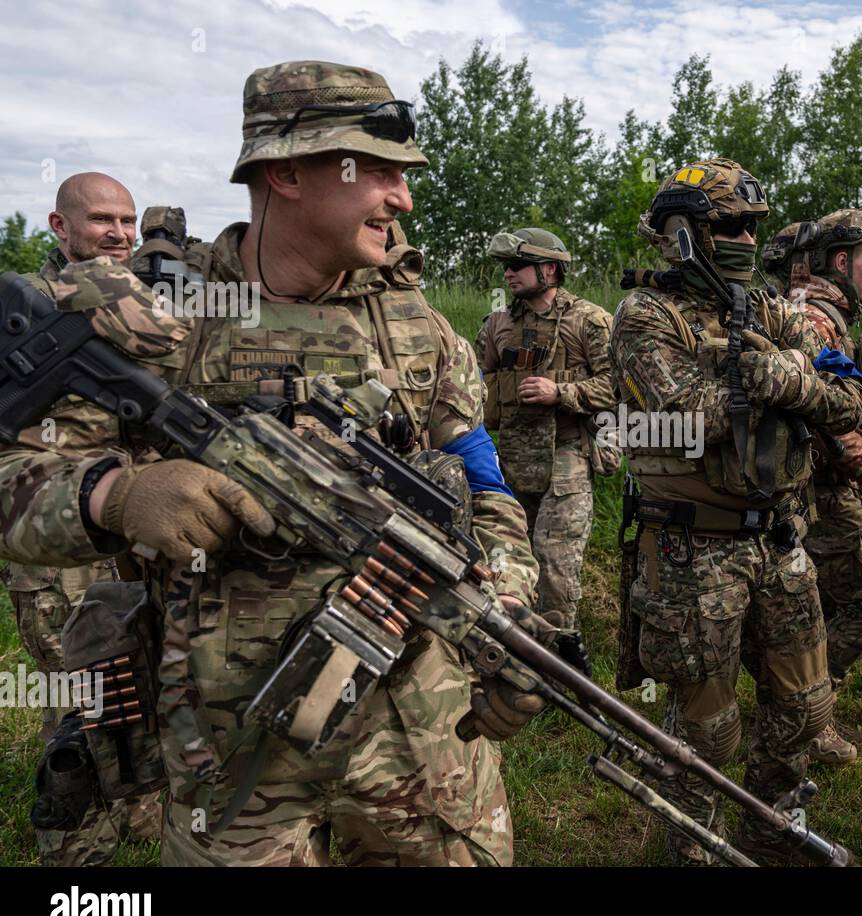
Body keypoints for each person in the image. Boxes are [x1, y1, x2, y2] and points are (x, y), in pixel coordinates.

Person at [0, 61, 541, 866]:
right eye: (380, 171)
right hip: (232, 767)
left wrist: (505, 619)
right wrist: (116, 494)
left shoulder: (421, 330)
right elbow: (15, 479)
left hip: (423, 762)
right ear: (285, 171)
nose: (404, 198)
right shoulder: (155, 322)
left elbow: (488, 491)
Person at [610, 158, 862, 863]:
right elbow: (680, 414)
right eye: (729, 225)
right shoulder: (644, 316)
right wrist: (772, 382)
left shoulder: (772, 310)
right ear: (683, 234)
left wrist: (792, 380)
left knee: (804, 708)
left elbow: (852, 402)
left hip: (782, 540)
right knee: (706, 728)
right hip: (693, 550)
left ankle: (773, 831)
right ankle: (692, 848)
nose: (748, 238)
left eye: (754, 225)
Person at [4, 172, 162, 865]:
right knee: (78, 704)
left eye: (128, 221)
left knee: (137, 680)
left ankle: (138, 810)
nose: (119, 235)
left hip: (130, 534)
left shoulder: (134, 306)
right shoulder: (27, 309)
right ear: (58, 227)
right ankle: (73, 856)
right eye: (101, 220)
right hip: (54, 548)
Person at [769, 209, 862, 764]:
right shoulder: (816, 320)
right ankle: (810, 721)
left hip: (809, 491)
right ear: (842, 262)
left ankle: (798, 713)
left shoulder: (815, 313)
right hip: (823, 492)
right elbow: (827, 421)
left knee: (808, 608)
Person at [478, 228, 616, 628]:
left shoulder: (588, 321)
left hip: (566, 457)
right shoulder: (497, 325)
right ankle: (514, 660)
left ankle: (558, 663)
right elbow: (474, 384)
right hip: (510, 461)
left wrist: (562, 392)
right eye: (506, 266)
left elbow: (621, 385)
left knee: (555, 565)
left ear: (550, 269)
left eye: (518, 265)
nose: (508, 274)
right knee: (509, 564)